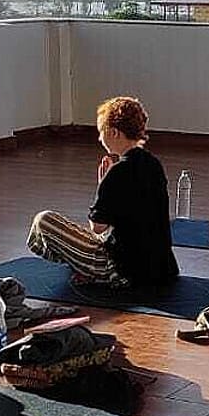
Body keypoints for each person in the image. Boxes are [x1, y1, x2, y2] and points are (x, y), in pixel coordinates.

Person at [28, 96, 178, 287]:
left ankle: (88, 271)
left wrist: (102, 185)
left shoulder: (118, 171)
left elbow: (97, 226)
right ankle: (83, 267)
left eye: (101, 132)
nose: (100, 138)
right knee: (97, 237)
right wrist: (107, 187)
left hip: (122, 270)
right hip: (162, 267)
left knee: (44, 221)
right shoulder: (153, 163)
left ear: (114, 132)